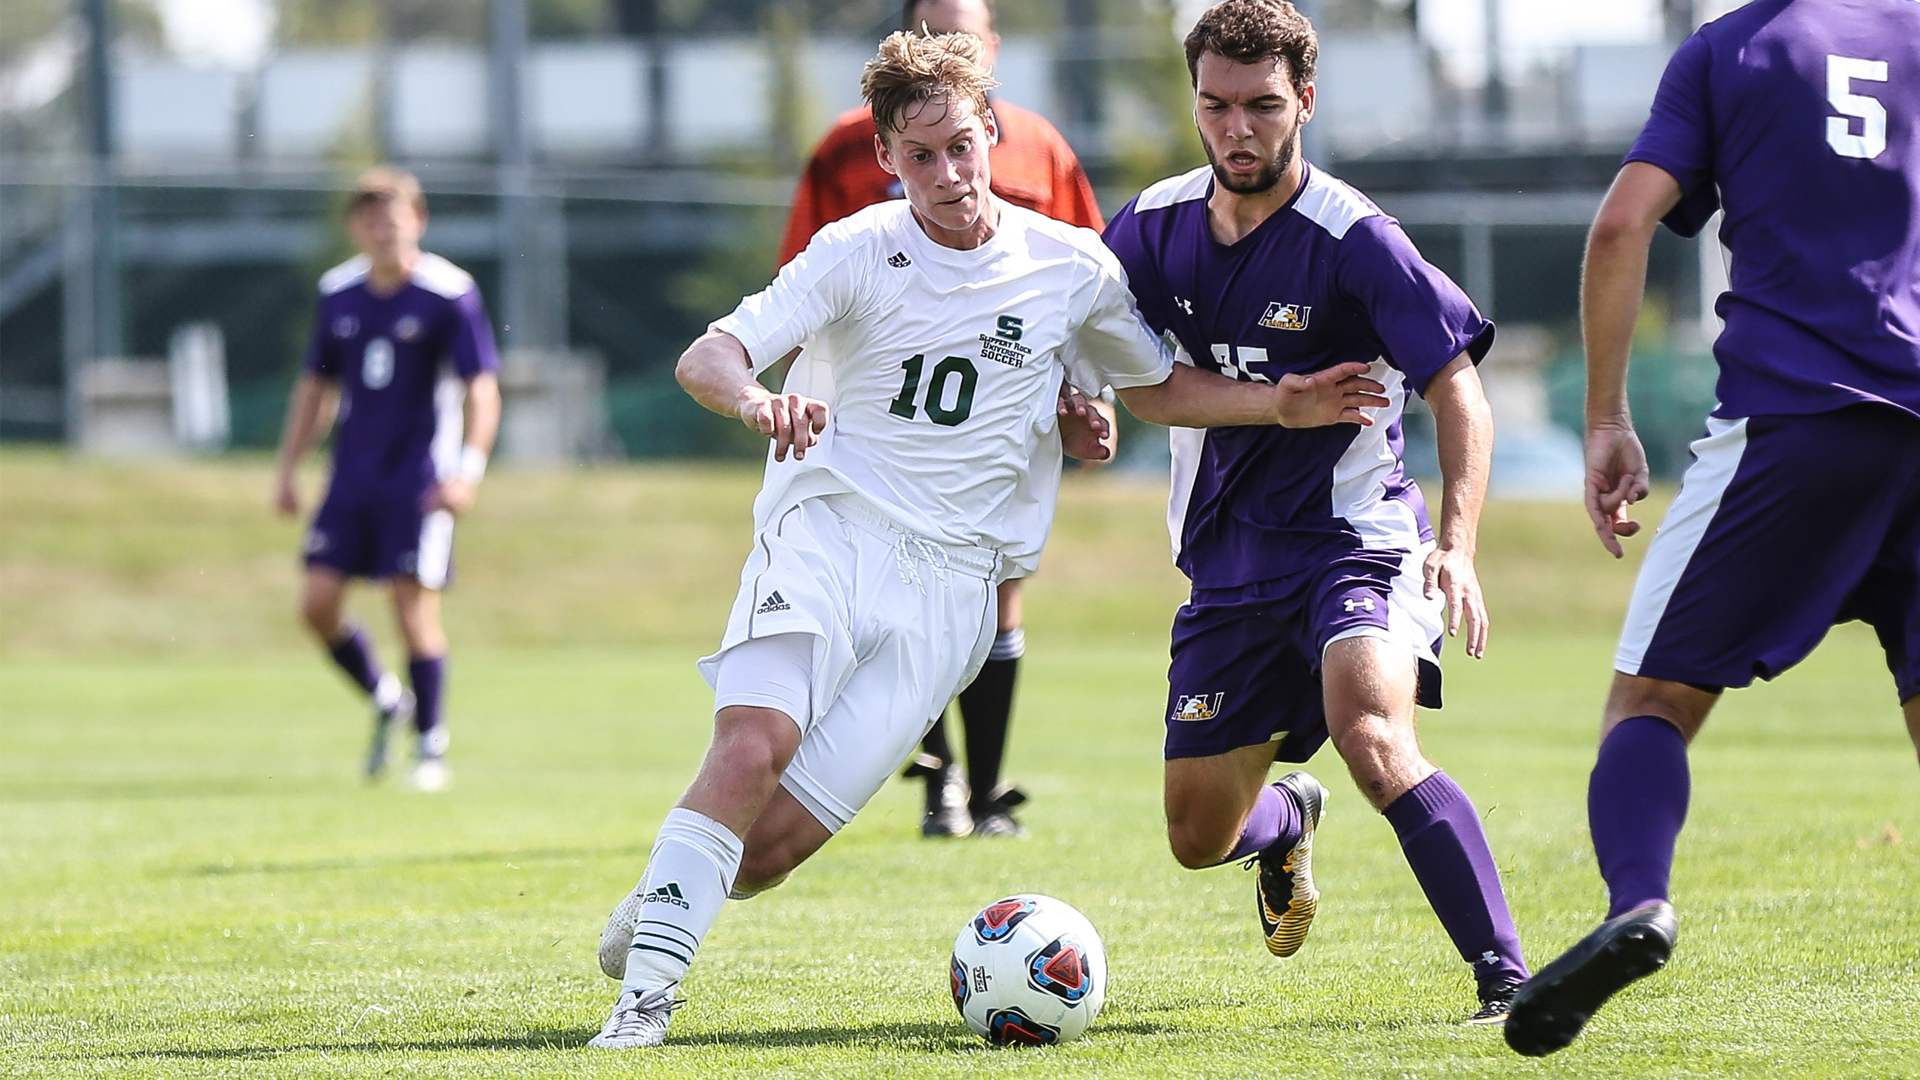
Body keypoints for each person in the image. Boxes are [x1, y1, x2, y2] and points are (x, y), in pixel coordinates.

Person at [587, 28, 1389, 1049]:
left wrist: (1273, 405)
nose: (950, 174)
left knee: (768, 851)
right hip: (828, 530)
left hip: (955, 589)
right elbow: (708, 355)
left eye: (963, 146)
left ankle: (660, 903)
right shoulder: (855, 249)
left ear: (992, 133)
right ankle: (642, 1005)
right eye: (921, 157)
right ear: (887, 160)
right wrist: (755, 402)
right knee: (751, 746)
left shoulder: (1068, 266)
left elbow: (1151, 386)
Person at [1504, 0, 1920, 1056]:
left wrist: (1605, 419)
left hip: (1797, 424)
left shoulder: (1732, 47)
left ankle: (1638, 903)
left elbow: (1620, 222)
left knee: (1651, 699)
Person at [1101, 0, 1528, 1023]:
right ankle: (1287, 816)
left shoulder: (1355, 241)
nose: (1237, 130)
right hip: (1226, 562)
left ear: (1306, 99)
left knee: (1372, 731)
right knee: (1199, 835)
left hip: (1356, 541)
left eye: (1260, 106)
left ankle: (1508, 983)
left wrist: (1461, 547)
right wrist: (1274, 405)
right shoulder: (1151, 231)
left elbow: (1459, 389)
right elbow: (1140, 385)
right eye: (1215, 106)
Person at [779, 0, 1112, 840]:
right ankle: (940, 784)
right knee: (898, 602)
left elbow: (1091, 287)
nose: (947, 167)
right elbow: (806, 275)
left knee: (994, 593)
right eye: (933, 32)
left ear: (992, 54)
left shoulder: (1038, 144)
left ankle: (987, 789)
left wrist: (1090, 396)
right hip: (883, 424)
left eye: (965, 34)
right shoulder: (845, 148)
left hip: (1002, 410)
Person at [272, 166, 502, 793]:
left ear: (418, 221)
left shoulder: (448, 293)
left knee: (411, 608)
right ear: (355, 226)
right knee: (316, 607)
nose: (383, 230)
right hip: (351, 478)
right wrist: (289, 468)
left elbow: (482, 390)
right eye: (370, 219)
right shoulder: (338, 292)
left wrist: (468, 473)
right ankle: (384, 697)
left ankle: (430, 747)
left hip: (418, 478)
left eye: (394, 218)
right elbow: (317, 388)